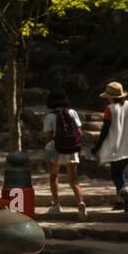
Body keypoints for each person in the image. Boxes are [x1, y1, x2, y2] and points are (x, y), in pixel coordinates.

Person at [91, 81, 128, 212]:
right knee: (120, 173)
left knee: (116, 176)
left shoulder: (109, 109)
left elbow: (105, 130)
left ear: (111, 97)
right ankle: (119, 202)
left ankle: (124, 193)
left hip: (115, 148)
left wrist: (97, 147)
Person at [42, 89, 87, 218]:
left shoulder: (49, 117)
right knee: (73, 180)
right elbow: (79, 132)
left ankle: (56, 205)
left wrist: (47, 150)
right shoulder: (72, 112)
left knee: (53, 176)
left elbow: (47, 136)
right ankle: (81, 203)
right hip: (71, 149)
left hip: (55, 149)